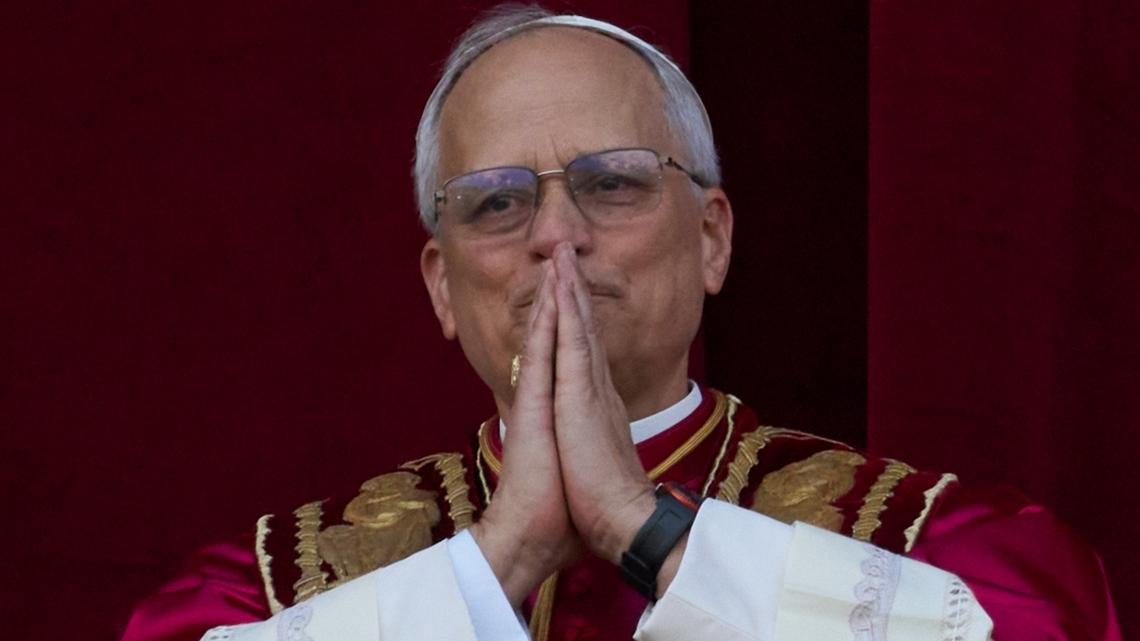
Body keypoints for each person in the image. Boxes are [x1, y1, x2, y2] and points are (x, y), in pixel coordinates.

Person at [122, 6, 1121, 641]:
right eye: (497, 202)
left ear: (712, 238)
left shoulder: (936, 546)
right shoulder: (266, 590)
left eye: (612, 183)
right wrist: (501, 557)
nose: (556, 235)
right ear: (441, 286)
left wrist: (647, 530)